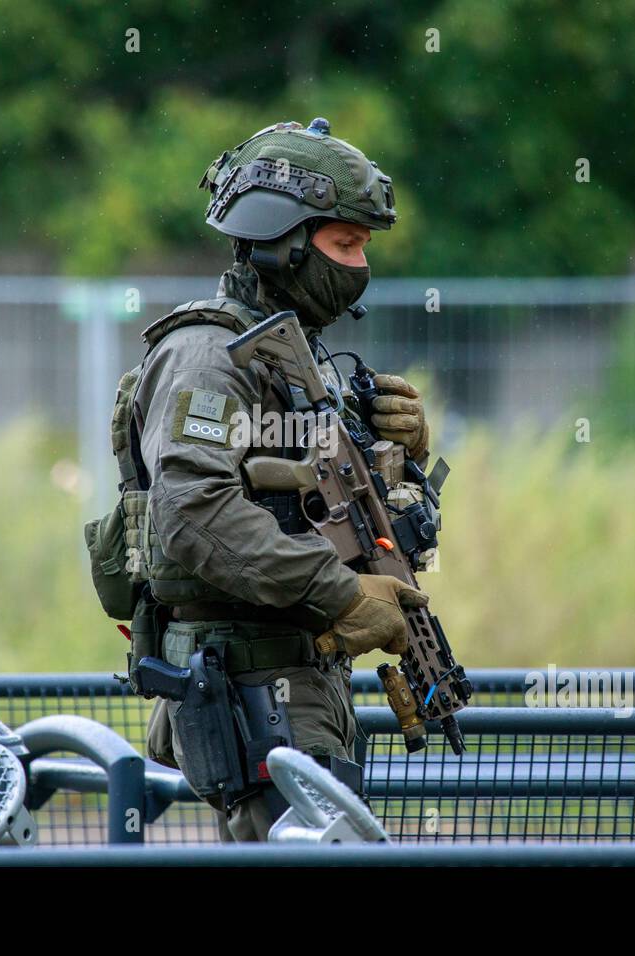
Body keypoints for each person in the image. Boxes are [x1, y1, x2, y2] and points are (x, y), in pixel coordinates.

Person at [111, 118, 432, 841]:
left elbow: (370, 521)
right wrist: (342, 594)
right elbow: (193, 514)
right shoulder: (207, 357)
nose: (359, 266)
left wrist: (406, 450)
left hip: (302, 685)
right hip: (253, 694)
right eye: (344, 244)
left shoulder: (296, 358)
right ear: (282, 241)